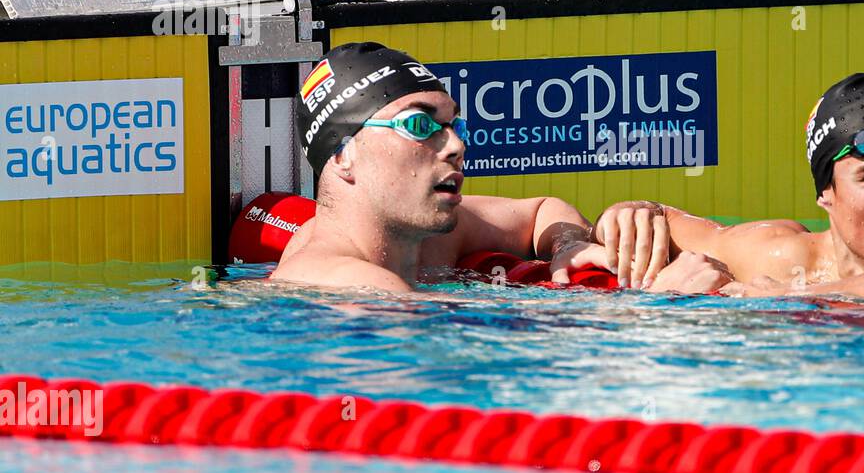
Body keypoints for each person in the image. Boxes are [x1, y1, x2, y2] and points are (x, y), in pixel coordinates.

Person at [271, 42, 731, 294]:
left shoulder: (429, 237)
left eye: (453, 123)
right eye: (418, 124)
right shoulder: (354, 285)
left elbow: (541, 210)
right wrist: (660, 309)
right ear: (343, 154)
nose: (455, 144)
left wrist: (567, 245)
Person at [592, 73, 864, 303]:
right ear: (825, 192)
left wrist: (794, 297)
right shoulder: (779, 254)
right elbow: (657, 218)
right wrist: (629, 211)